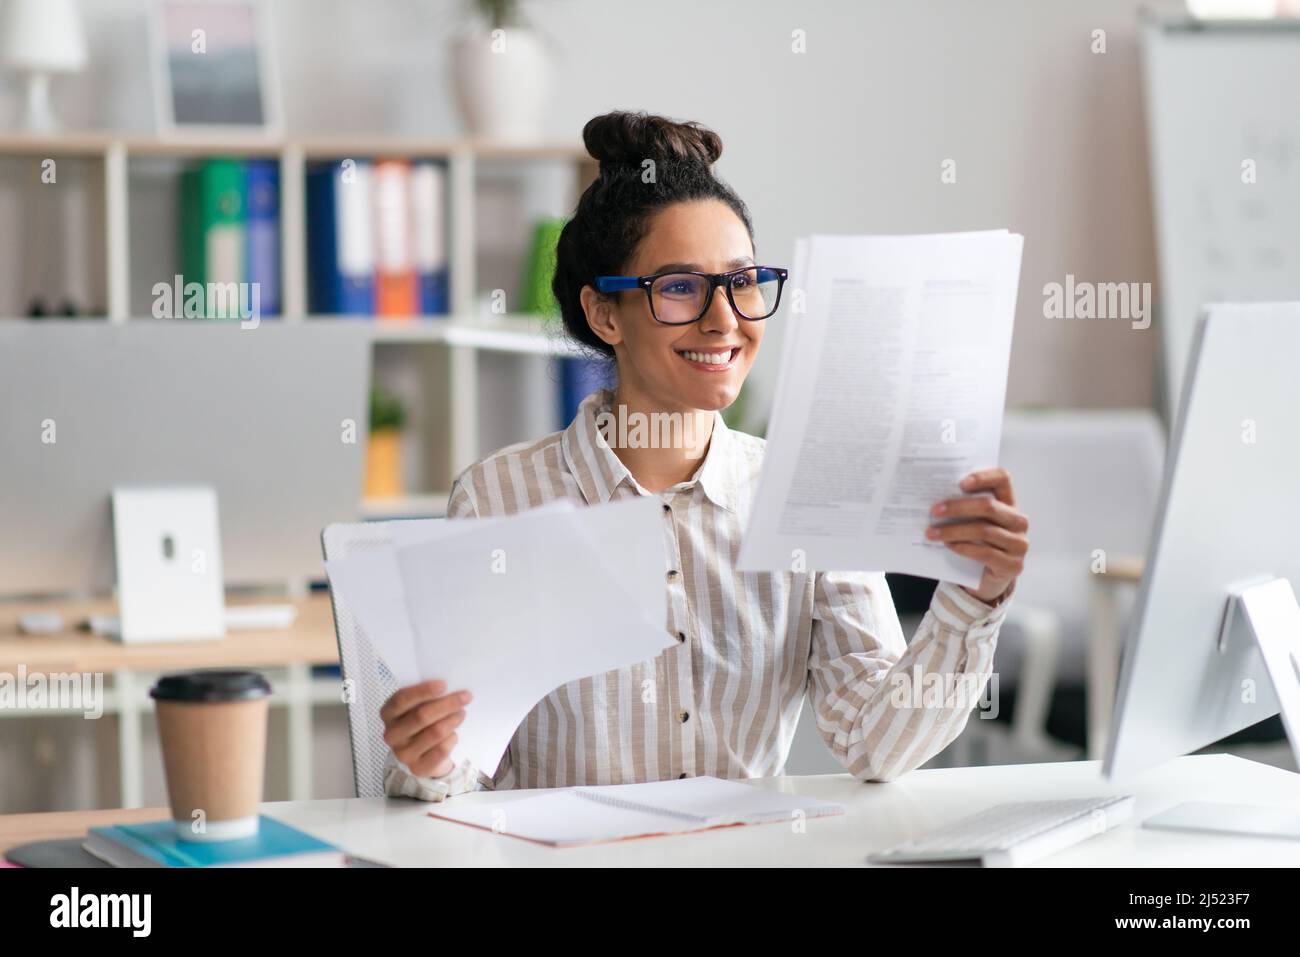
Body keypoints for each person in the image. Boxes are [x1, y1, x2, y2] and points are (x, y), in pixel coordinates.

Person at [380, 111, 1029, 801]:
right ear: (604, 314)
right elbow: (460, 765)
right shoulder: (500, 496)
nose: (724, 319)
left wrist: (972, 599)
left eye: (742, 282)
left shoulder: (801, 489)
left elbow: (875, 741)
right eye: (681, 287)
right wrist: (428, 759)